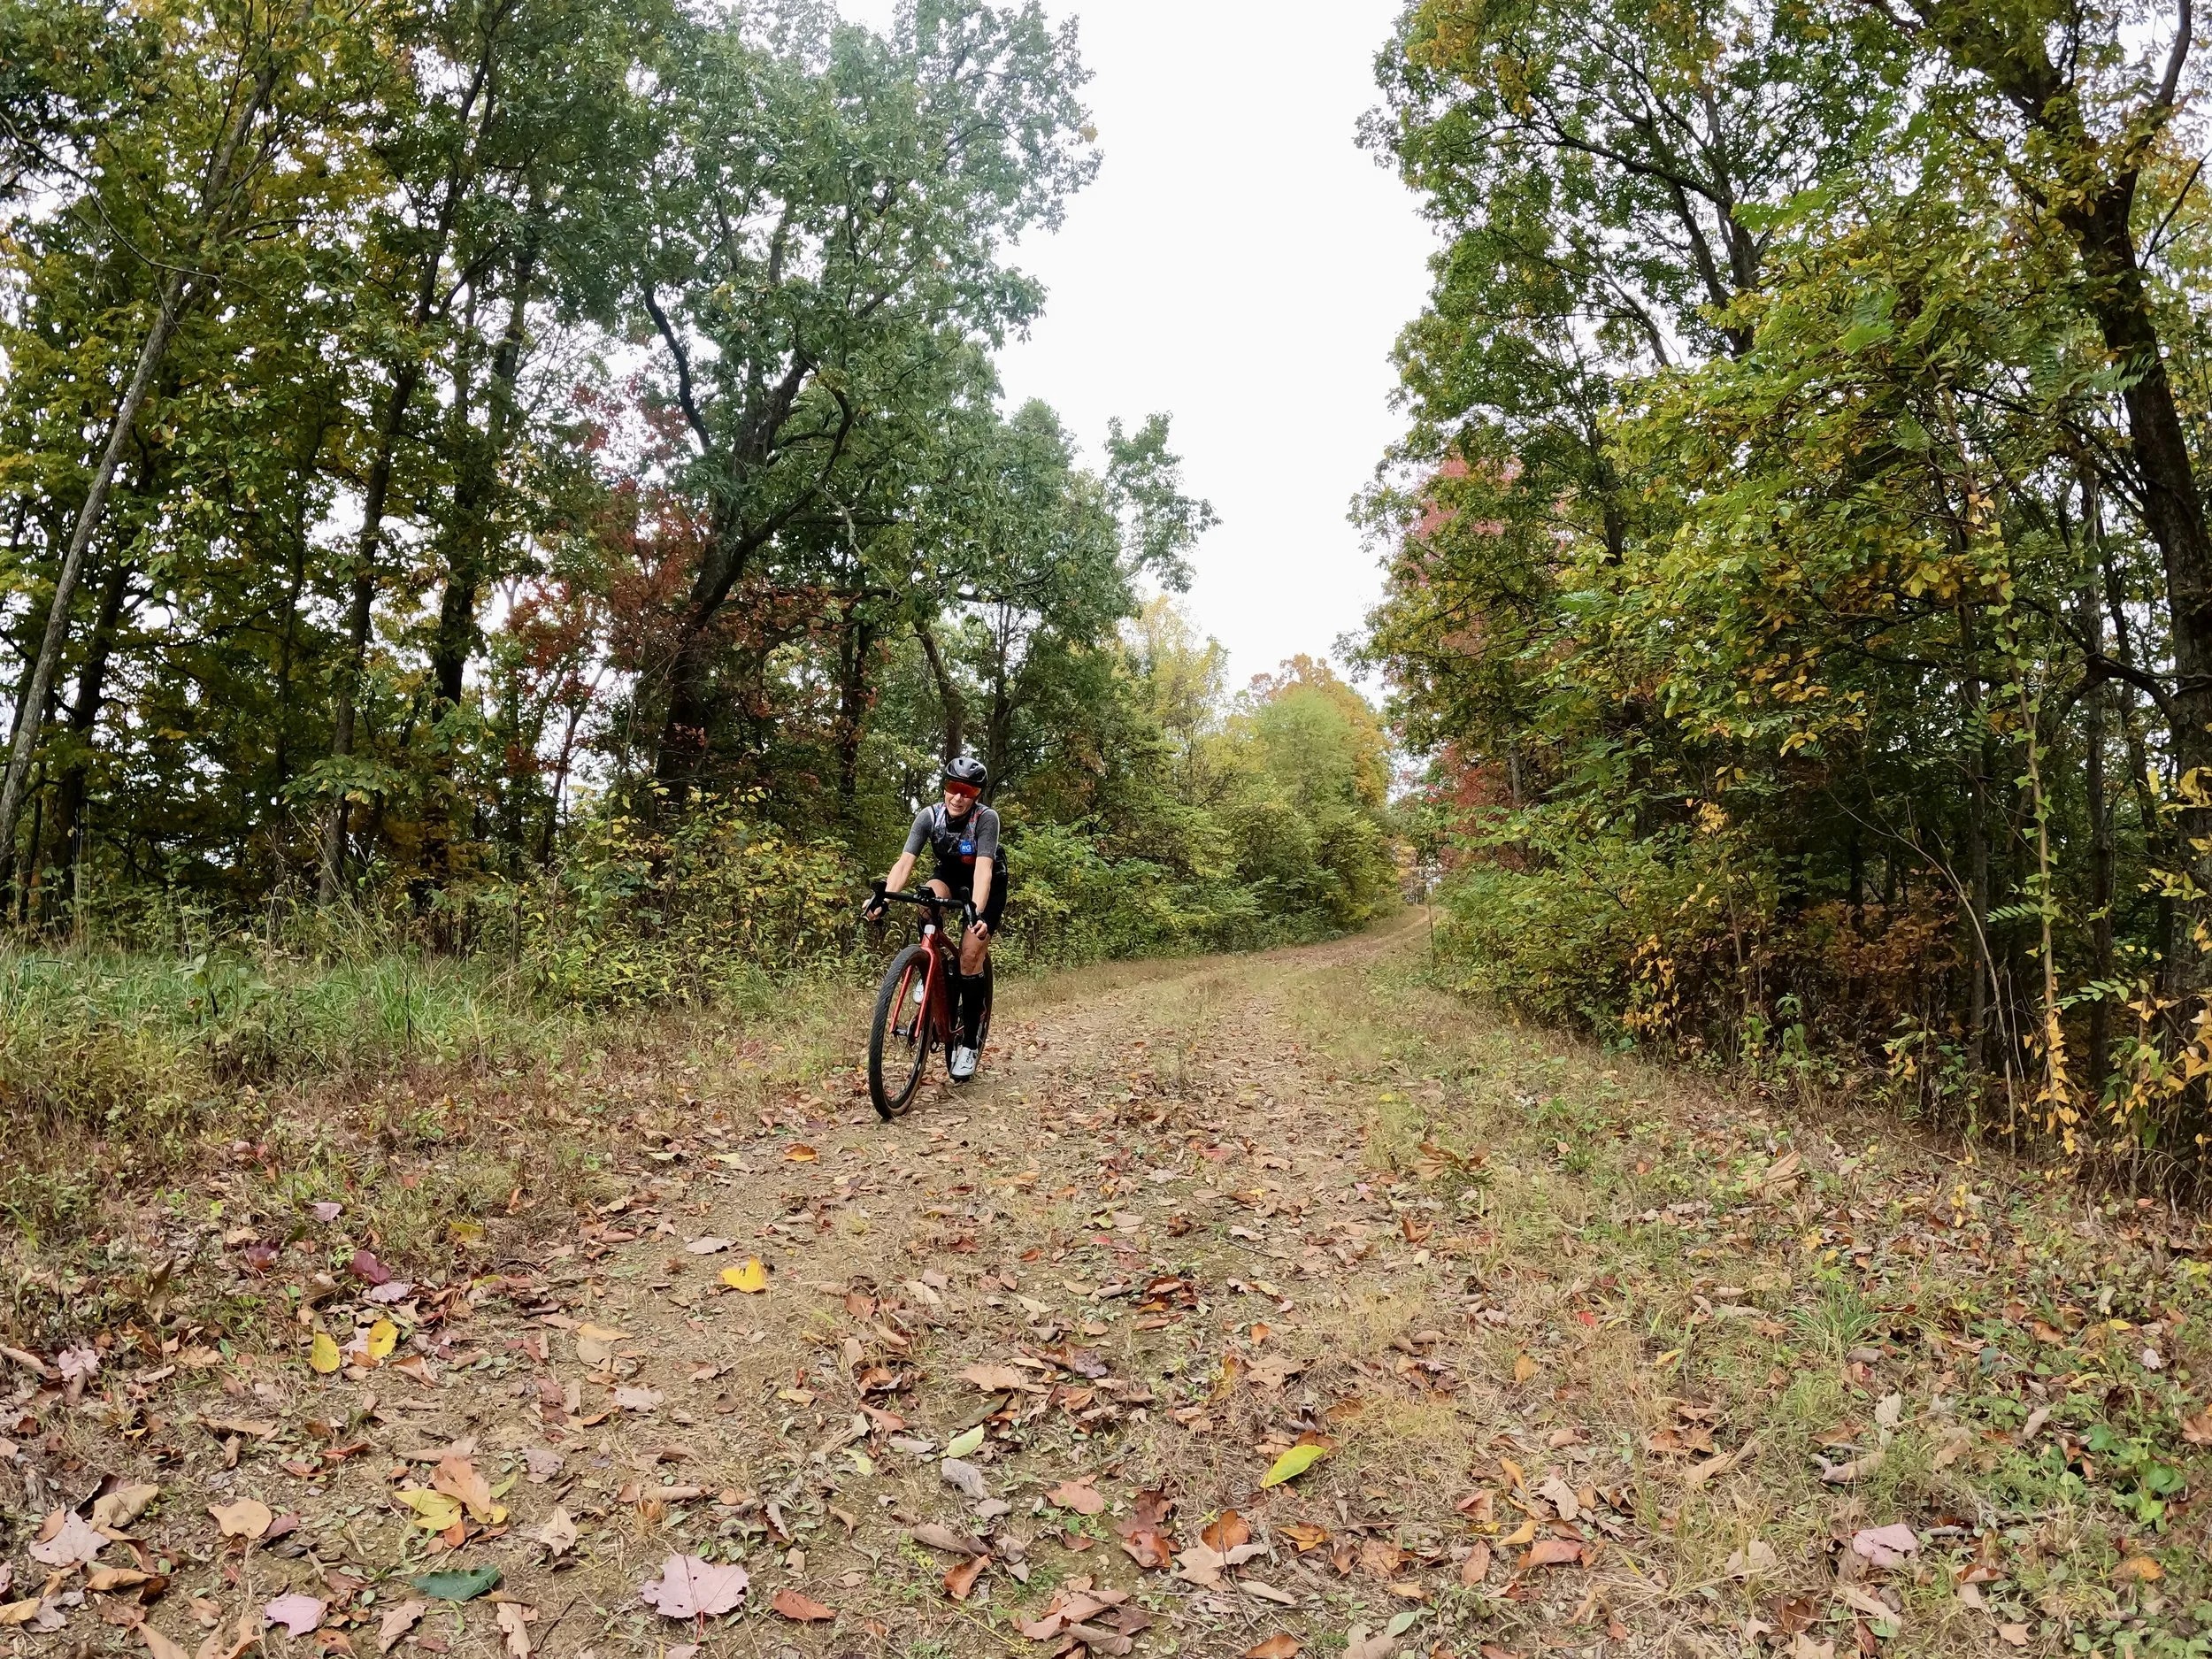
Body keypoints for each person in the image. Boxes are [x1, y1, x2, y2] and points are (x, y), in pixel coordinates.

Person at [864, 757, 1005, 1079]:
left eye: (967, 791)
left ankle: (969, 1042)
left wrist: (977, 912)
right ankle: (929, 967)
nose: (958, 797)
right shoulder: (929, 816)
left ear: (977, 796)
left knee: (970, 957)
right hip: (950, 875)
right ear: (945, 788)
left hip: (987, 883)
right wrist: (883, 897)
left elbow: (983, 872)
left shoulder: (986, 819)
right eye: (953, 788)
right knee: (925, 896)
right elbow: (904, 863)